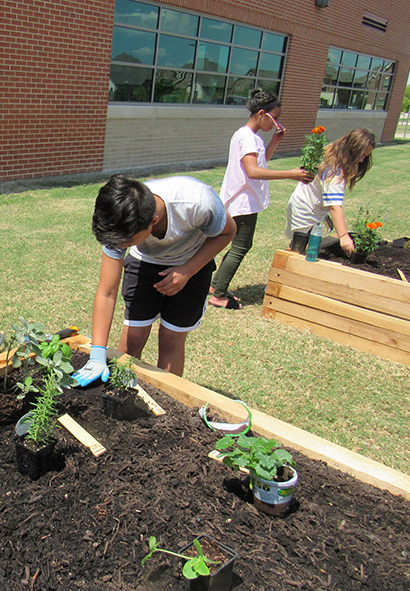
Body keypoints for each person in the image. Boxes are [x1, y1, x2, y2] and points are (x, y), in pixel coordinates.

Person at [71, 174, 235, 382]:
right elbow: (107, 291)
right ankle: (120, 389)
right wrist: (97, 355)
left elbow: (228, 232)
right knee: (133, 337)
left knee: (170, 338)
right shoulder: (120, 219)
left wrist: (187, 270)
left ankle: (166, 395)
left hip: (192, 261)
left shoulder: (198, 203)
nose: (120, 247)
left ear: (153, 222)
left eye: (126, 243)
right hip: (145, 262)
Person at [209, 89, 314, 310]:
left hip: (243, 199)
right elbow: (253, 171)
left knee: (238, 244)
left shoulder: (247, 135)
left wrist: (275, 141)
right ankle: (218, 294)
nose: (275, 124)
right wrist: (291, 173)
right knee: (241, 246)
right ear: (262, 114)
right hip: (243, 202)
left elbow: (260, 162)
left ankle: (216, 285)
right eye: (274, 119)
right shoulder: (248, 137)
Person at [285, 128, 375, 254]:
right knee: (299, 250)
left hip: (303, 203)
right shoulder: (334, 173)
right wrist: (343, 236)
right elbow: (334, 207)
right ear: (352, 149)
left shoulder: (331, 155)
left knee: (303, 245)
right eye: (362, 155)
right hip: (306, 211)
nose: (361, 160)